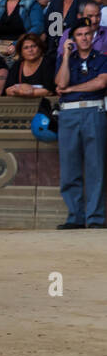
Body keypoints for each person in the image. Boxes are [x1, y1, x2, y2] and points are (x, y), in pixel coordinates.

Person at [54, 20, 107, 229]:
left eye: (87, 34)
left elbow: (101, 83)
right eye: (79, 34)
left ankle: (94, 218)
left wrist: (69, 89)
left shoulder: (102, 59)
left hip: (93, 110)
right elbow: (60, 83)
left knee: (96, 167)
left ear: (92, 37)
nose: (84, 37)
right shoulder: (66, 59)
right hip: (69, 114)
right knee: (69, 167)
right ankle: (75, 217)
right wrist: (66, 55)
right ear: (73, 39)